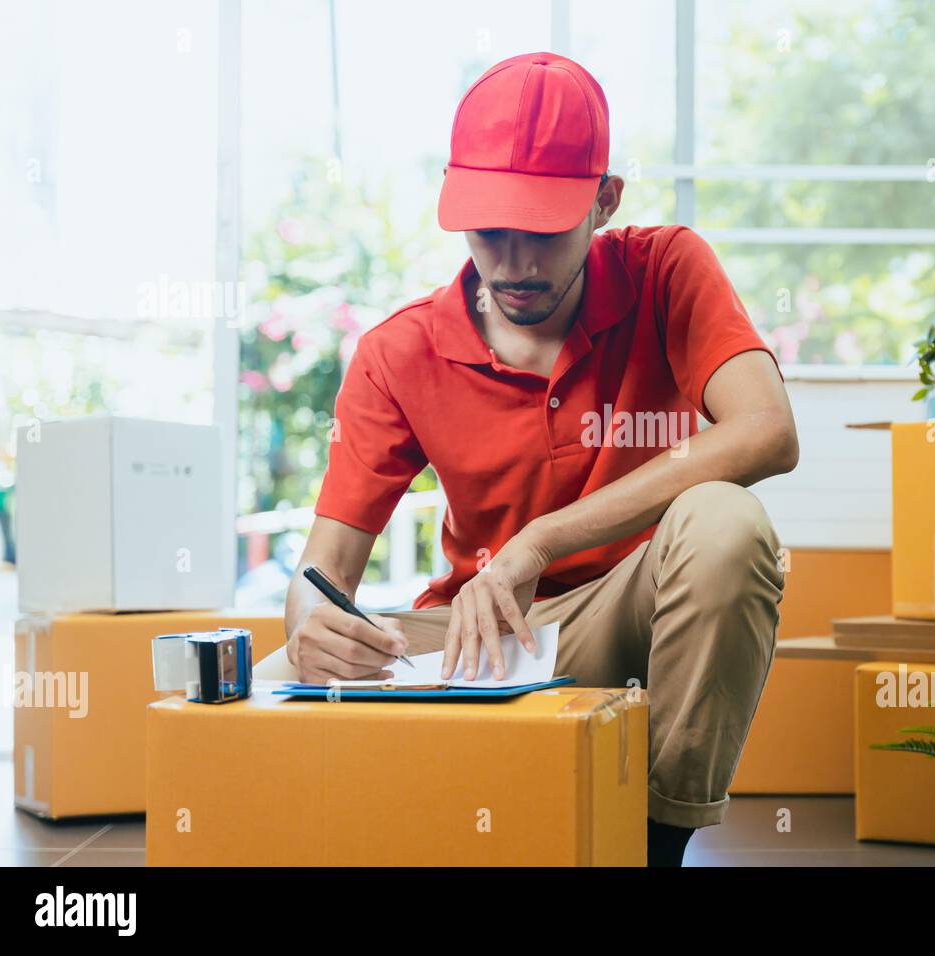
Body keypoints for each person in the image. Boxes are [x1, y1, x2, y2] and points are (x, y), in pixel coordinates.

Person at [274, 52, 799, 867]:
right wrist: (310, 626)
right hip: (473, 638)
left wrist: (538, 542)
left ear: (605, 200)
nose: (515, 265)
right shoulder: (395, 353)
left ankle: (653, 846)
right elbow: (320, 578)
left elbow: (767, 431)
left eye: (544, 233)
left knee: (728, 523)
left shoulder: (665, 269)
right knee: (273, 673)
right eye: (490, 232)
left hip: (628, 615)